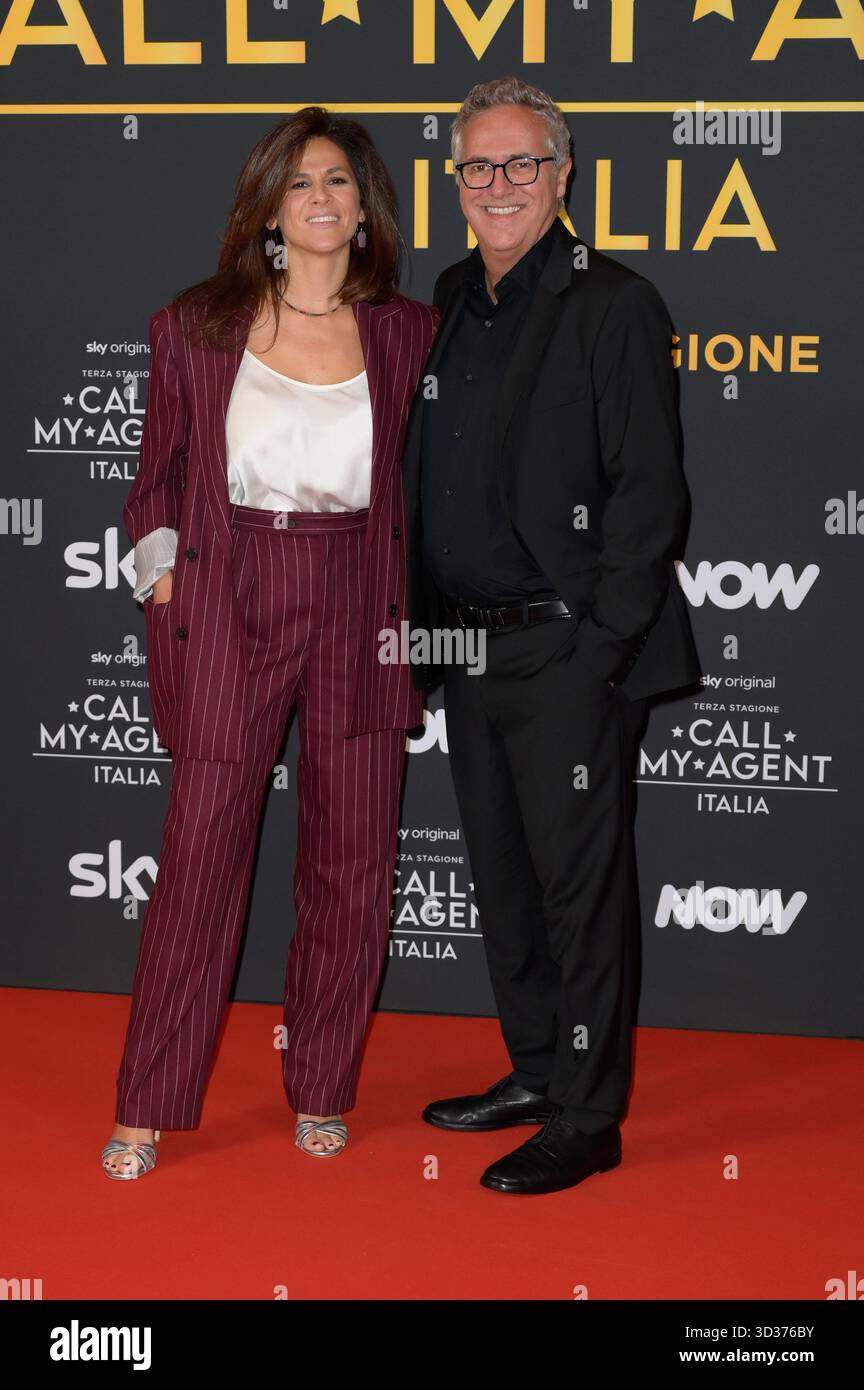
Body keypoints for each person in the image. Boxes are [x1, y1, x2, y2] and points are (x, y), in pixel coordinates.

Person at [101, 107, 439, 1179]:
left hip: (360, 599)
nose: (322, 198)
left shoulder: (410, 332)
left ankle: (324, 1088)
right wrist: (163, 584)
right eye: (300, 182)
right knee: (200, 861)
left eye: (339, 179)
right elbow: (154, 480)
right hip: (230, 592)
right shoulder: (196, 325)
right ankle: (147, 1104)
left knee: (353, 864)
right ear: (268, 207)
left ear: (365, 204)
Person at [402, 77, 702, 1195]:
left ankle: (588, 1113)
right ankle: (535, 1070)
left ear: (563, 174)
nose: (499, 185)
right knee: (505, 879)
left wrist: (603, 645)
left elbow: (649, 493)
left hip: (568, 650)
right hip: (468, 646)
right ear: (456, 180)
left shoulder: (615, 302)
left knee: (581, 894)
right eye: (478, 166)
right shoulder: (449, 296)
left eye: (521, 163)